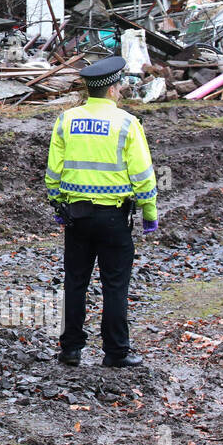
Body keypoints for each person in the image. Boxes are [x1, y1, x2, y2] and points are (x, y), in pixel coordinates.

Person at [44, 56, 158, 368]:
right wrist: (150, 212)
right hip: (114, 219)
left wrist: (58, 205)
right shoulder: (127, 124)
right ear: (110, 90)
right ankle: (116, 352)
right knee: (115, 285)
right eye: (119, 85)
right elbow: (143, 175)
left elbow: (53, 171)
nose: (120, 90)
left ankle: (70, 349)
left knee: (75, 283)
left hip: (76, 217)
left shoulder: (66, 120)